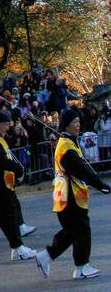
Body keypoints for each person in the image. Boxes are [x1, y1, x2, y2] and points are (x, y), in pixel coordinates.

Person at [36, 108, 111, 280]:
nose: (77, 125)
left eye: (78, 122)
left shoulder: (68, 142)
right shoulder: (66, 146)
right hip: (70, 197)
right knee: (81, 230)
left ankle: (46, 257)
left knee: (72, 232)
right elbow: (81, 171)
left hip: (66, 196)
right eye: (74, 123)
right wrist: (101, 185)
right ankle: (82, 267)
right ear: (66, 125)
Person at [0, 110, 38, 261]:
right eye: (6, 124)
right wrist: (17, 168)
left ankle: (17, 247)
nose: (8, 127)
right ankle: (17, 248)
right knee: (5, 217)